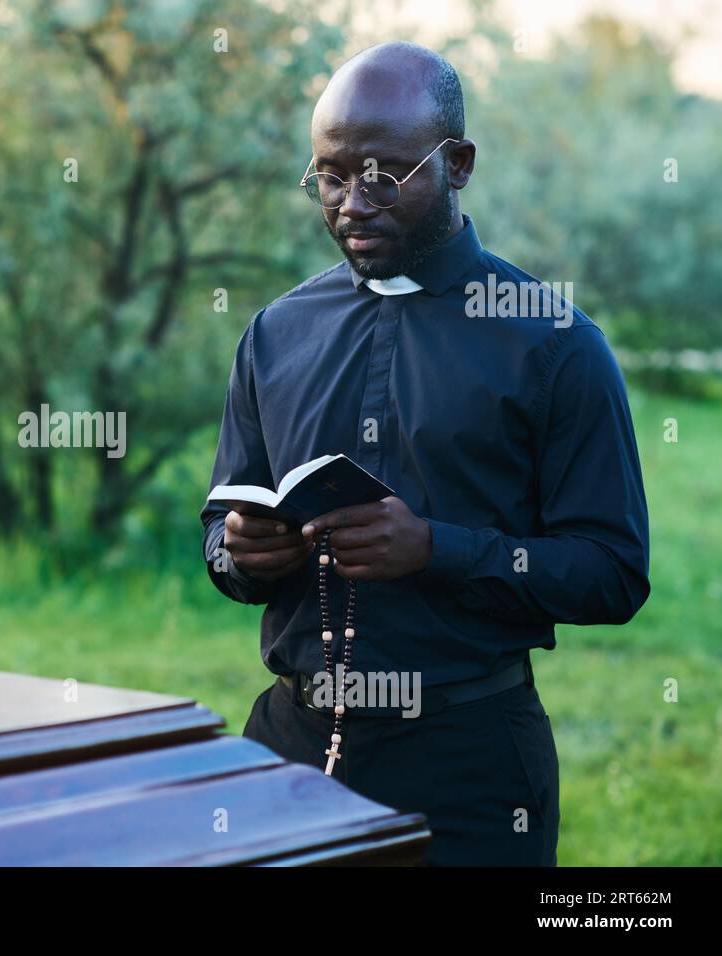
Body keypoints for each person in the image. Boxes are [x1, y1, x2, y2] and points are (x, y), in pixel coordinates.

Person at [200, 41, 651, 866]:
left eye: (384, 175)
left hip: (469, 766)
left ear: (459, 163)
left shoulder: (553, 345)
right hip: (286, 748)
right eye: (330, 176)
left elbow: (613, 573)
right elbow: (223, 533)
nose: (351, 203)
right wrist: (240, 555)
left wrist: (436, 549)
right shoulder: (275, 332)